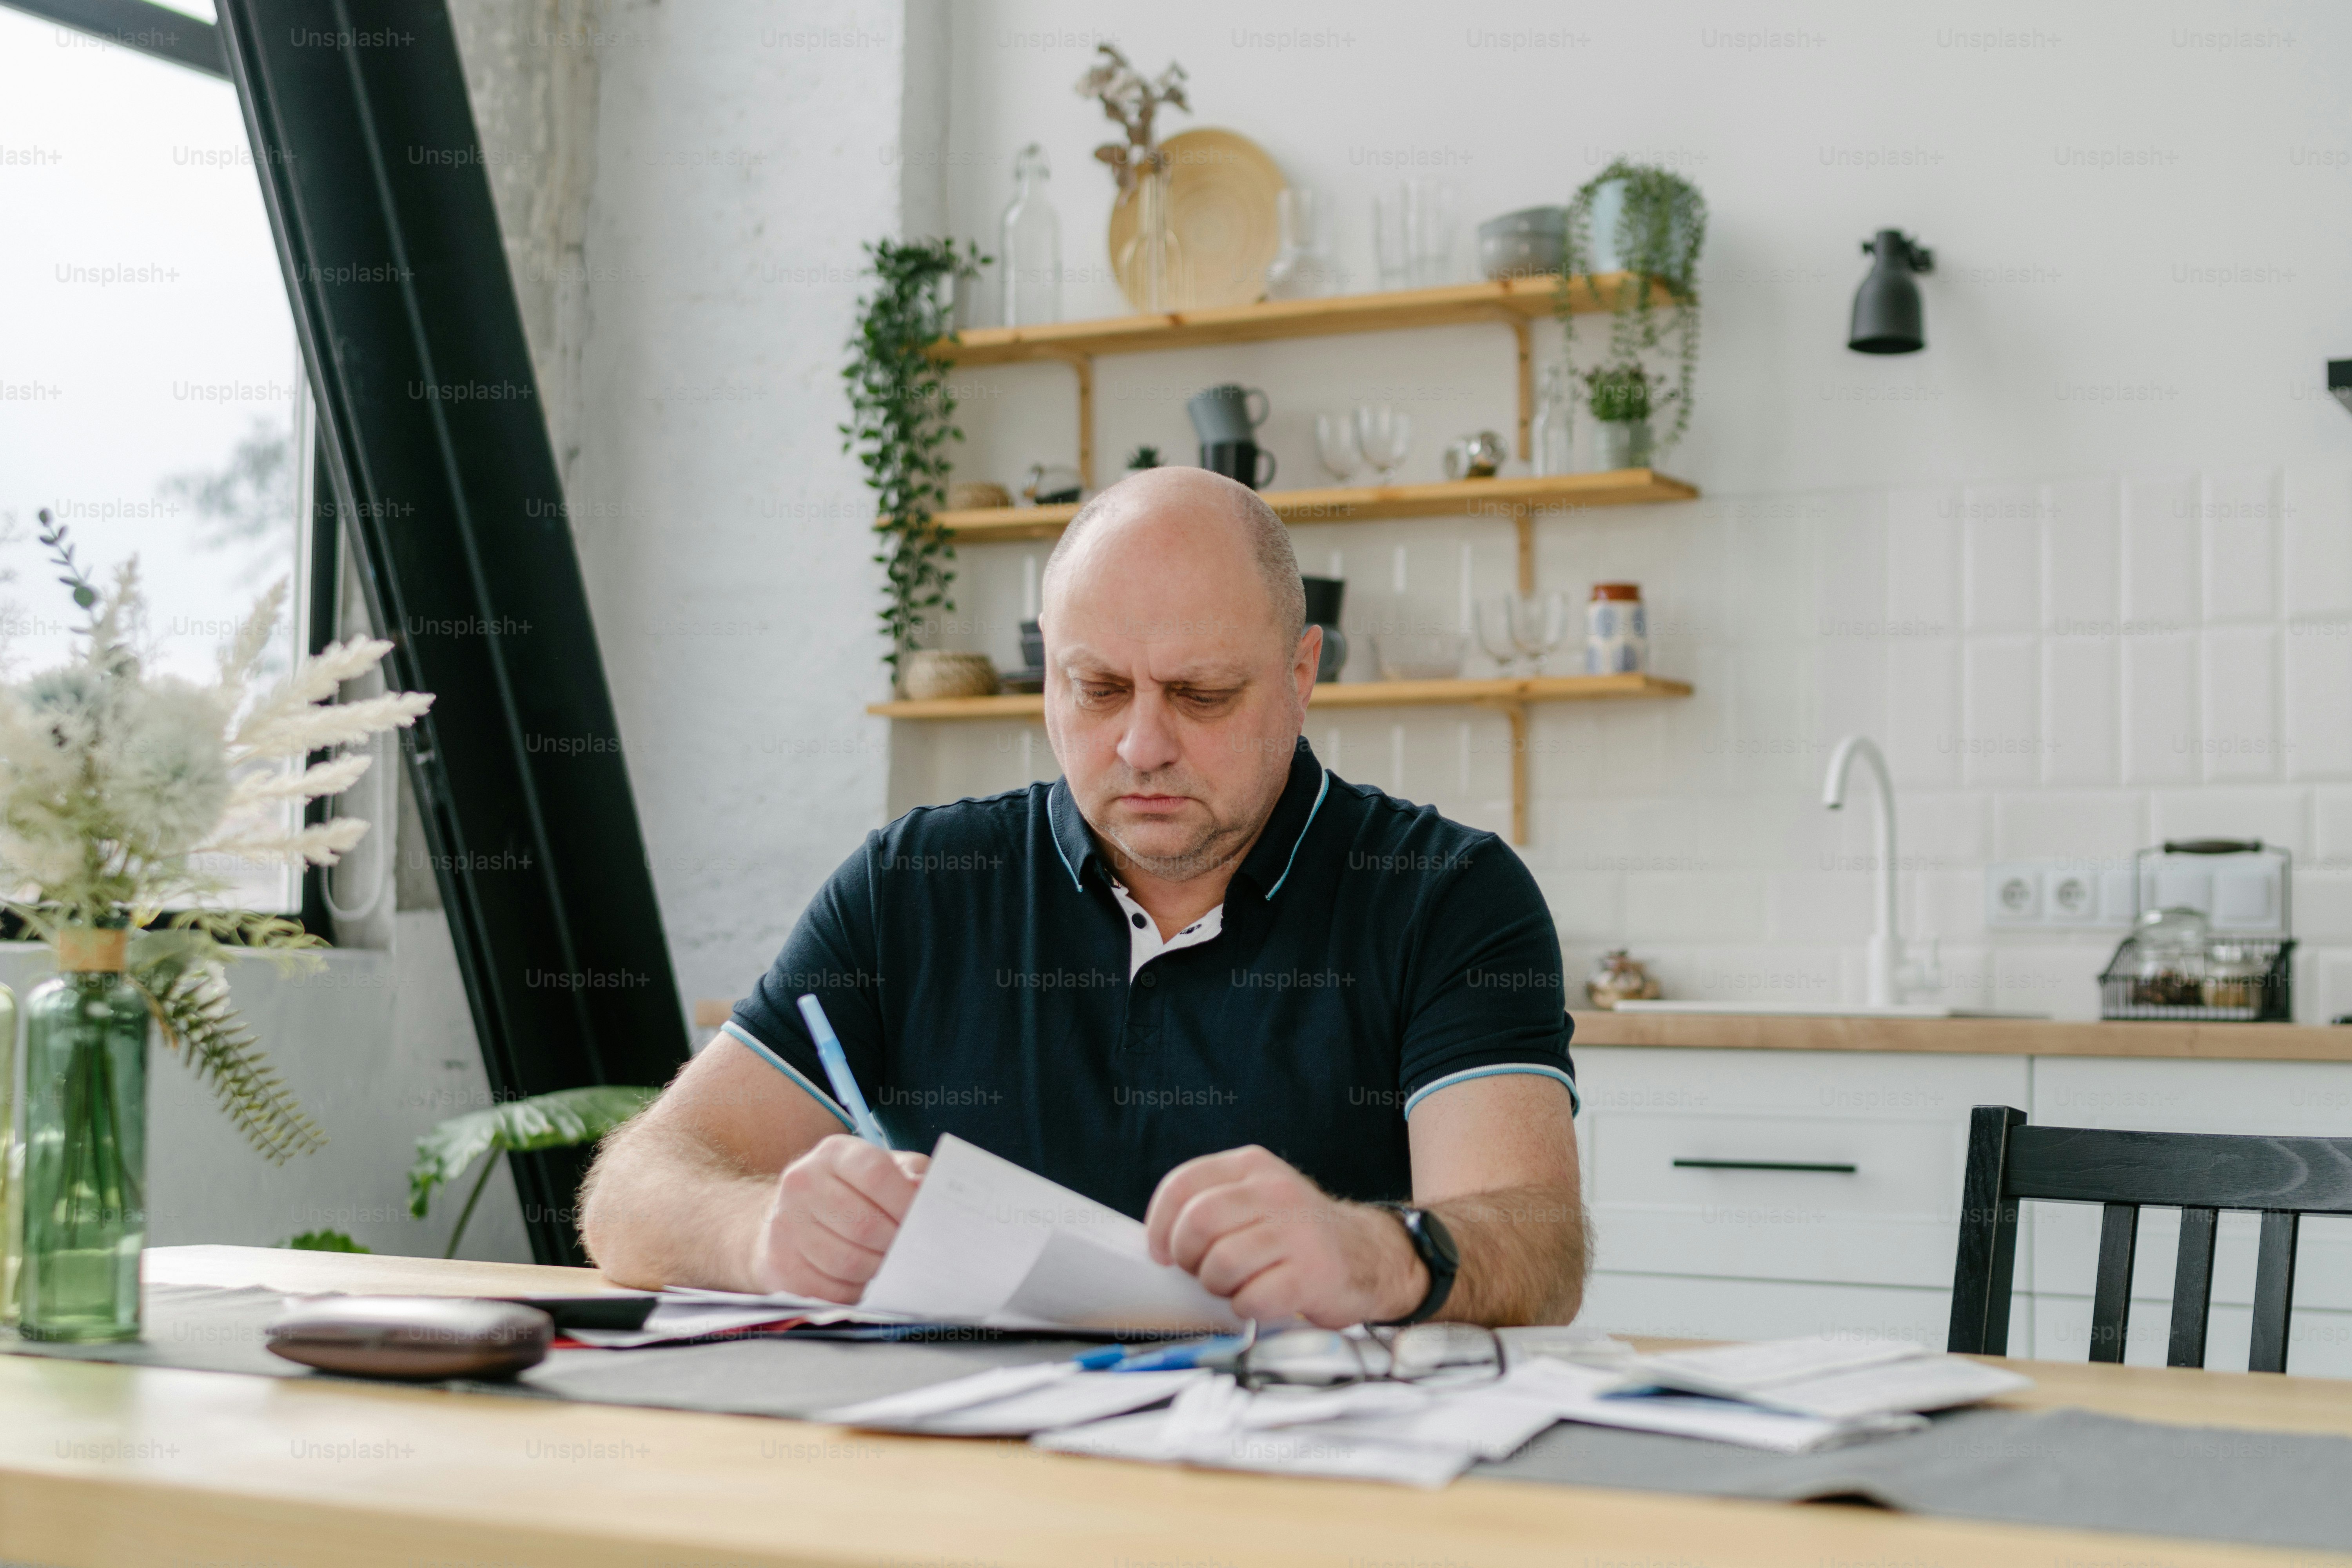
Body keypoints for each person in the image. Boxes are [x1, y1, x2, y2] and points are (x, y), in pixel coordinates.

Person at [581, 467, 1586, 1327]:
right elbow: (632, 1190)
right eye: (1097, 689)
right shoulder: (917, 883)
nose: (1142, 746)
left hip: (1299, 1487)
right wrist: (760, 1233)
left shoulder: (1445, 893)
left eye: (1201, 694)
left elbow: (1538, 1244)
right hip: (969, 1485)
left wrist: (1376, 1253)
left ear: (1301, 672)